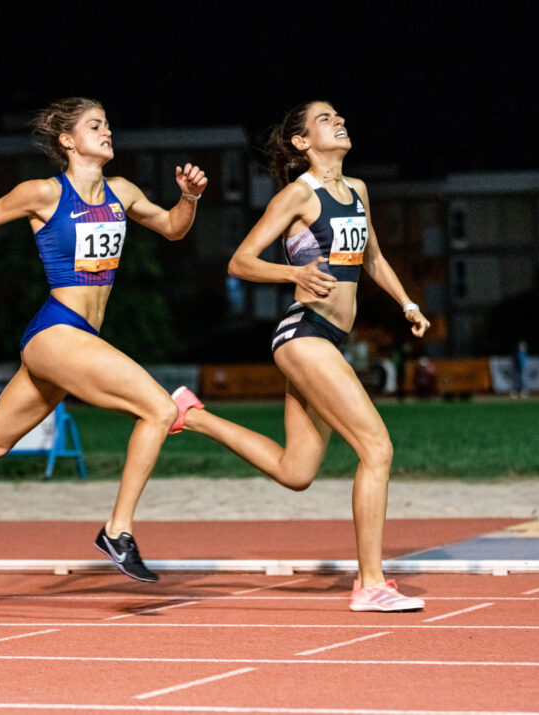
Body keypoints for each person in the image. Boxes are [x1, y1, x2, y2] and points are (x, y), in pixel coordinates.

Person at [0, 97, 207, 582]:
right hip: (56, 331)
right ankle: (118, 530)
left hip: (78, 338)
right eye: (95, 125)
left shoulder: (123, 192)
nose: (108, 131)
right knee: (158, 408)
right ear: (68, 141)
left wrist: (189, 198)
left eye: (108, 124)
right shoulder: (44, 193)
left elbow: (173, 229)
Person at [168, 101, 429, 611]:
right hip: (303, 333)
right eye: (326, 120)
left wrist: (408, 304)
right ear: (302, 143)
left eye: (340, 116)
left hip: (329, 340)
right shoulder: (297, 196)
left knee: (296, 471)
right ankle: (371, 583)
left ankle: (191, 416)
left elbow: (372, 257)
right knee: (376, 447)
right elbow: (240, 260)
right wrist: (295, 274)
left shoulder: (358, 191)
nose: (340, 121)